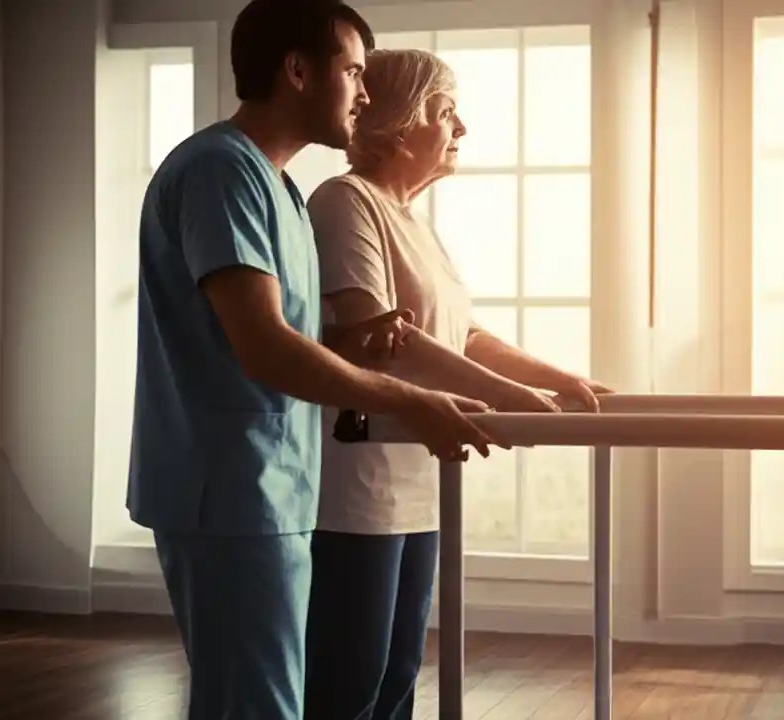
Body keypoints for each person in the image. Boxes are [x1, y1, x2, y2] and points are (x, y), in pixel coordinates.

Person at [125, 3, 505, 719]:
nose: (364, 93)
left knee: (271, 700)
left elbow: (274, 338)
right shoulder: (219, 171)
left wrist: (350, 343)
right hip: (228, 488)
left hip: (271, 488)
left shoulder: (283, 192)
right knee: (259, 706)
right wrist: (409, 399)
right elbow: (262, 346)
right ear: (299, 72)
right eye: (355, 70)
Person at [302, 48, 613, 719]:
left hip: (421, 478)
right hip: (360, 481)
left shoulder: (415, 222)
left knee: (397, 674)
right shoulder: (346, 202)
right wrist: (505, 398)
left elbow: (462, 337)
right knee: (350, 677)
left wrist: (559, 379)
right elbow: (381, 334)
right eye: (446, 112)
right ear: (401, 121)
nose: (461, 128)